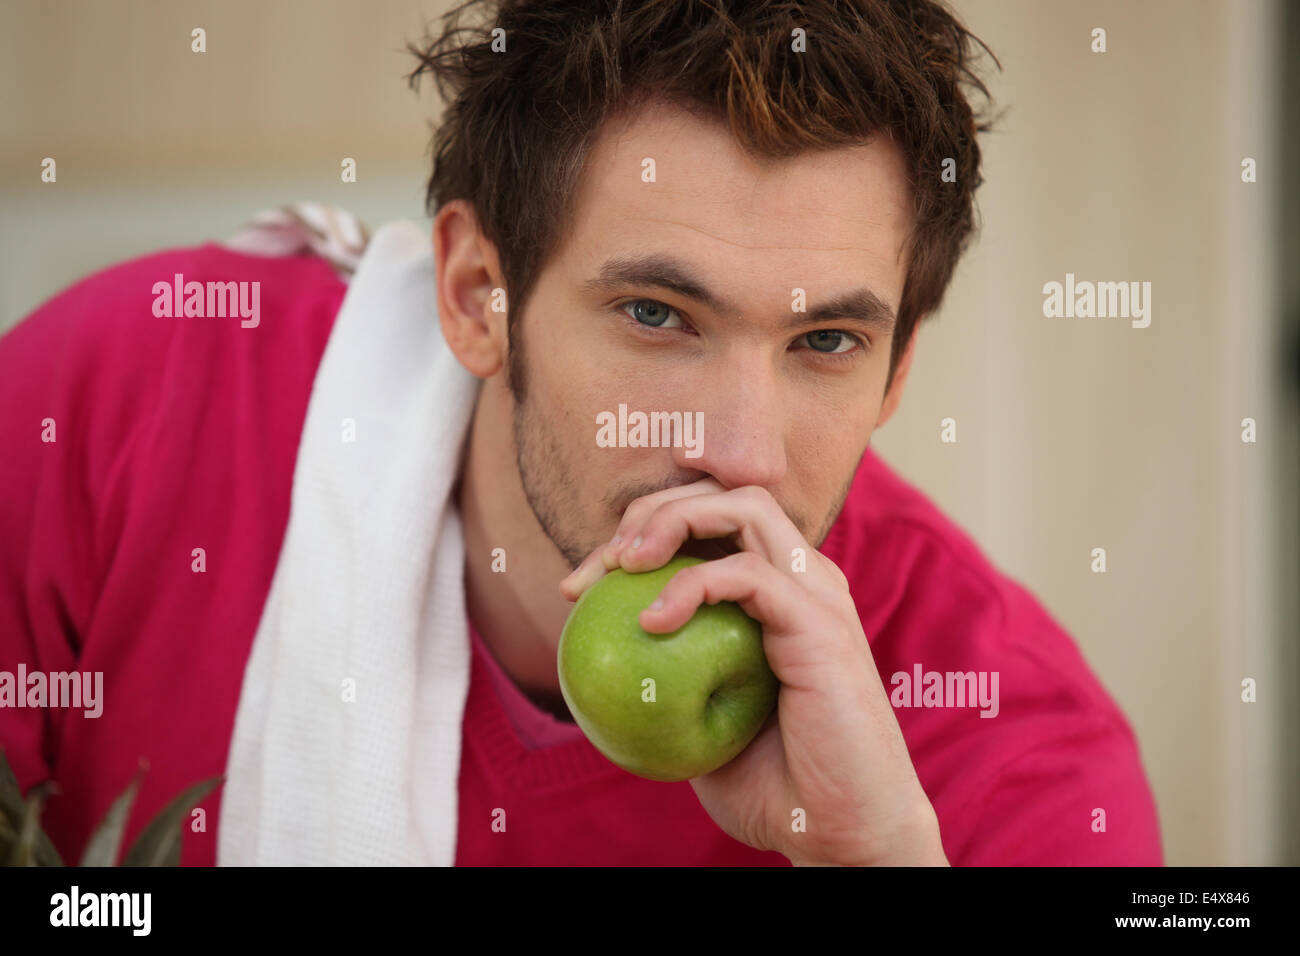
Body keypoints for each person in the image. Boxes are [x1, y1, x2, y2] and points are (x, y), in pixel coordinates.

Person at [0, 0, 1162, 866]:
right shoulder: (110, 407)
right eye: (656, 314)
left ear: (901, 368)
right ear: (474, 295)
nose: (740, 453)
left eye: (826, 343)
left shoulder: (1006, 735)